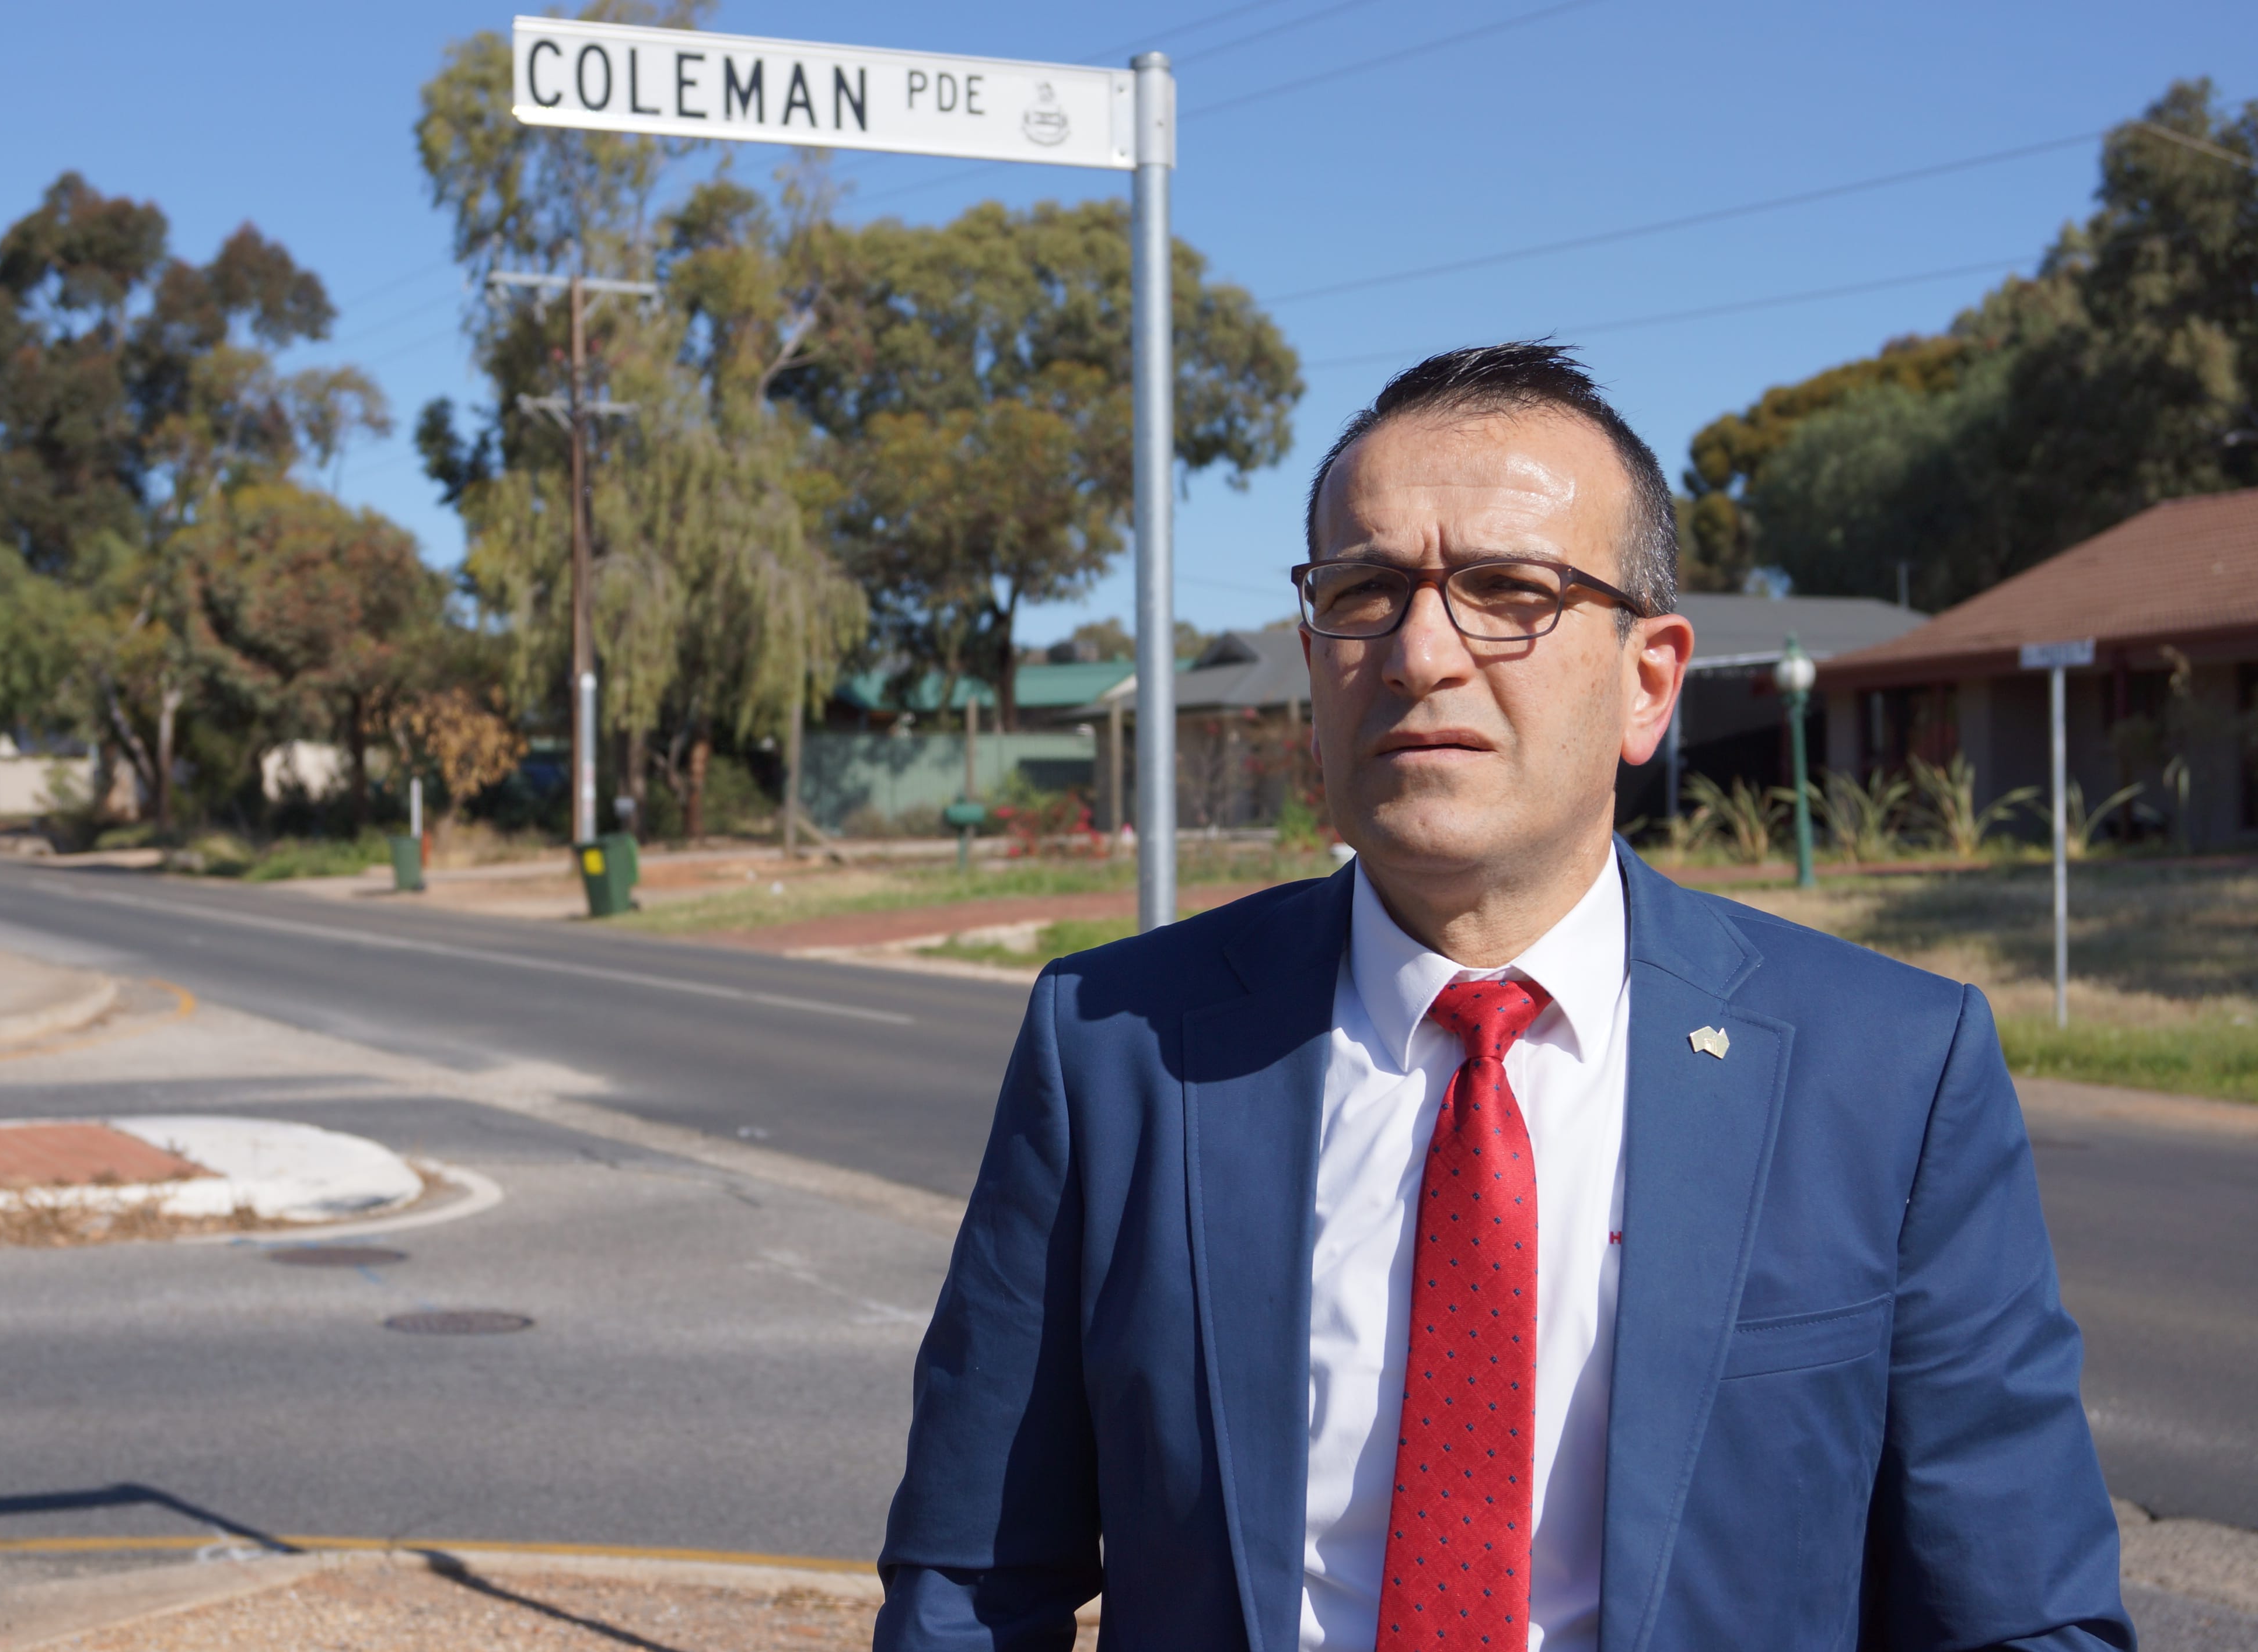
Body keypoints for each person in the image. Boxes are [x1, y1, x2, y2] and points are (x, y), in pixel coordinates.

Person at [873, 343, 2130, 1652]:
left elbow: (2019, 1614)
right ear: (1312, 658)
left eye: (1506, 590)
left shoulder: (1884, 1070)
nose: (1419, 652)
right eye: (1362, 592)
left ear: (1647, 680)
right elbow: (973, 1585)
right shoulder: (1114, 1047)